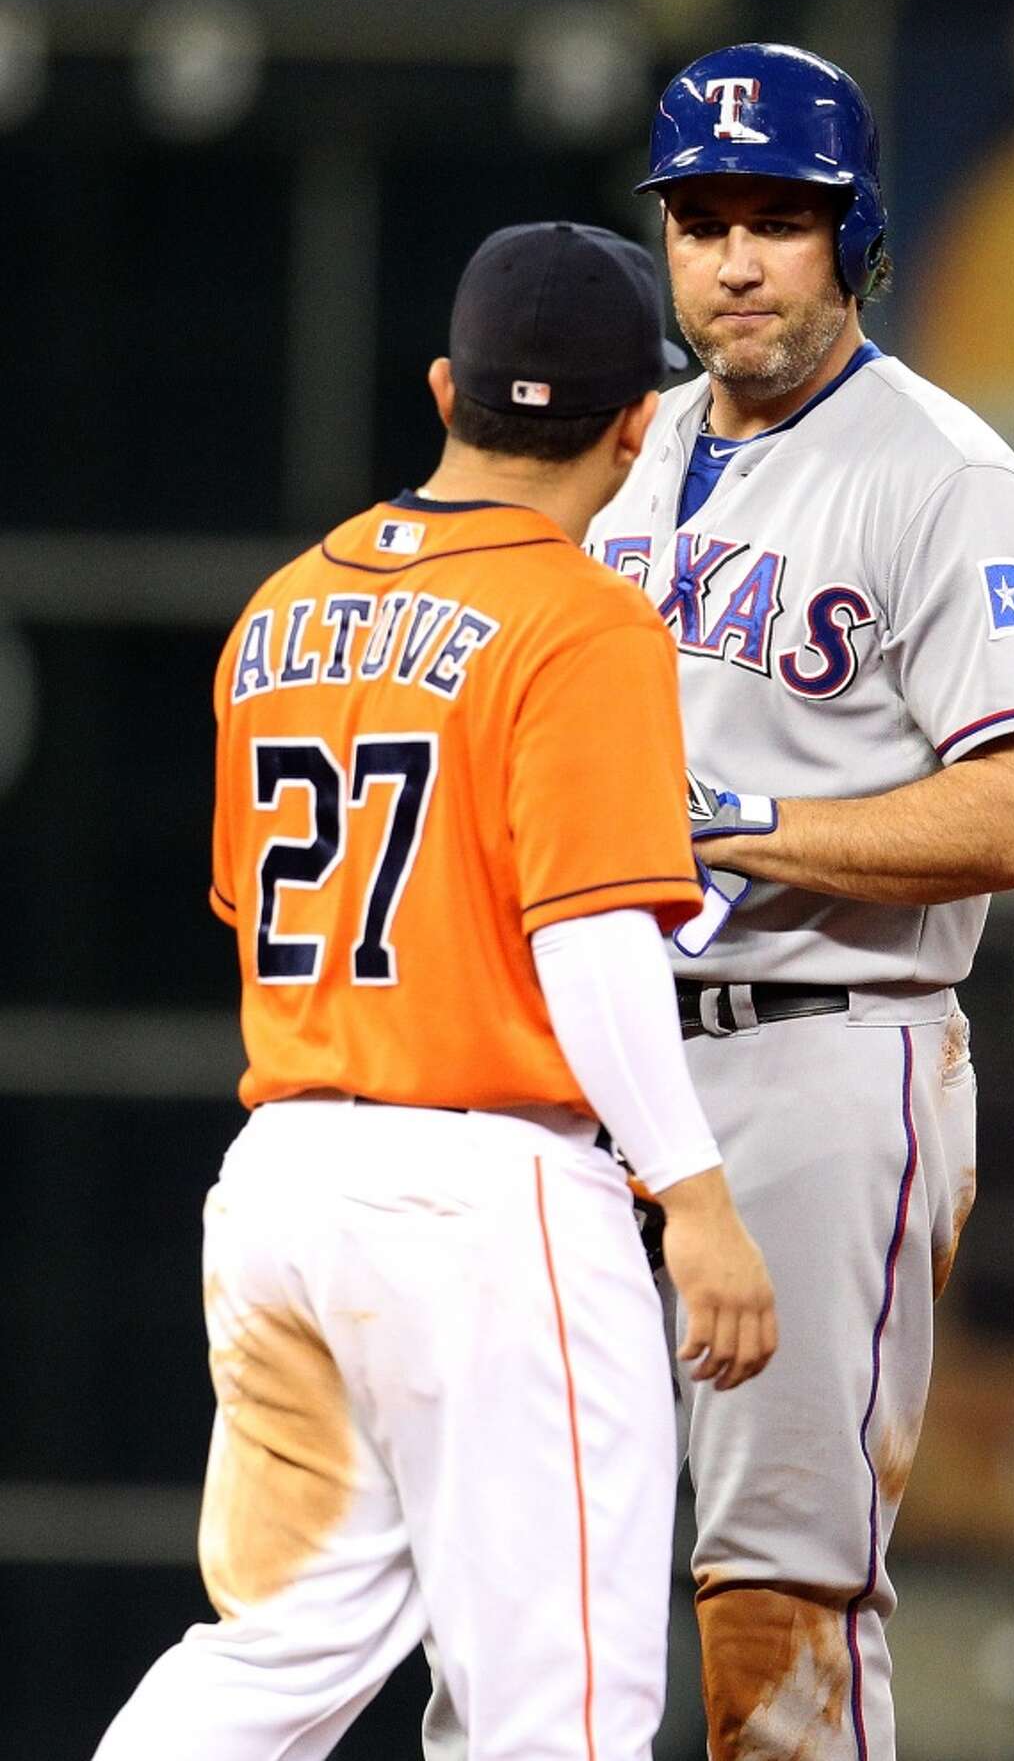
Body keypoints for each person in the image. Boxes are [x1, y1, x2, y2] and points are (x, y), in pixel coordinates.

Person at [91, 220, 777, 1761]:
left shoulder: (279, 608)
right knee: (561, 1707)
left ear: (447, 389)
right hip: (484, 1199)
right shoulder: (579, 617)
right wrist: (696, 1196)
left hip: (283, 1177)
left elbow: (252, 911)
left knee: (275, 1652)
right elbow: (590, 939)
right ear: (636, 425)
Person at [582, 45, 1014, 1761]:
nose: (734, 261)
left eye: (778, 222)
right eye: (701, 221)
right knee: (546, 1564)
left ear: (855, 235)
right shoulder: (628, 450)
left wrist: (740, 821)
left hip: (822, 1052)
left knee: (777, 1589)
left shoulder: (945, 475)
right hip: (607, 1070)